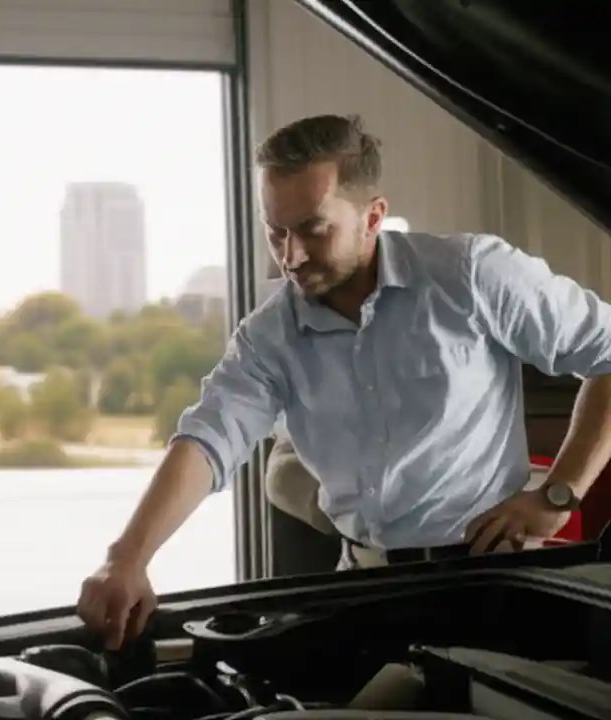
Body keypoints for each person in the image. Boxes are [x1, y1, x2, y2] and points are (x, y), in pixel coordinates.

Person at [76, 114, 611, 650]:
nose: (291, 256)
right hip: (358, 587)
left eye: (313, 229)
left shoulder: (473, 275)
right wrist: (127, 558)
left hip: (489, 584)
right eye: (276, 232)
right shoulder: (269, 335)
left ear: (373, 216)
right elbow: (207, 440)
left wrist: (559, 494)